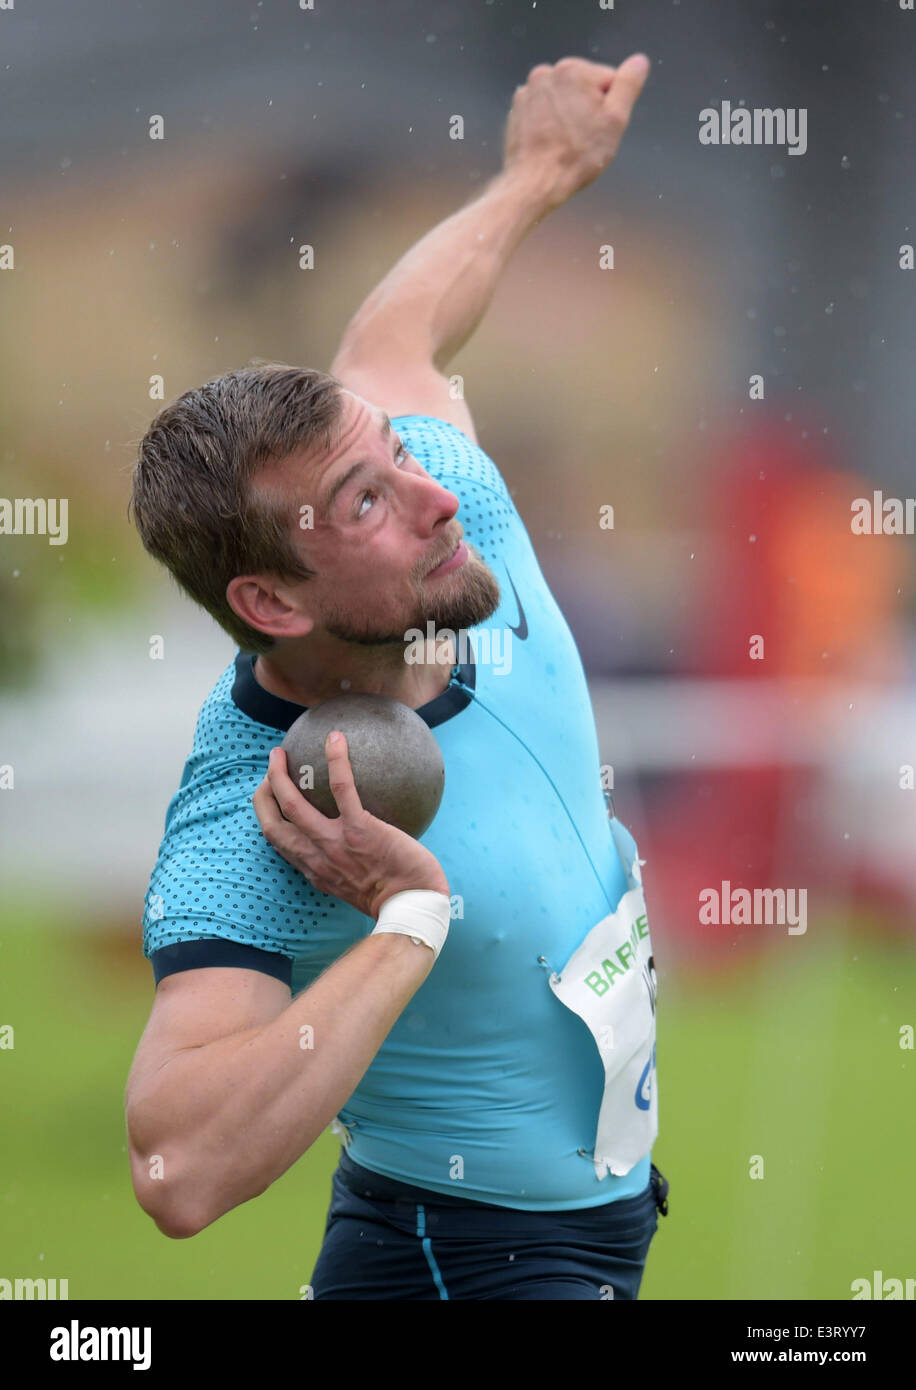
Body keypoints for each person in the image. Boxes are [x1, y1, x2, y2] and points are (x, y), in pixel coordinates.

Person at [125, 53, 667, 1300]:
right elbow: (175, 1170)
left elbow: (395, 333)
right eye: (365, 497)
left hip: (607, 1232)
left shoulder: (448, 501)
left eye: (393, 454)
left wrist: (537, 174)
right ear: (269, 600)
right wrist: (405, 920)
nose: (431, 493)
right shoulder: (265, 805)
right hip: (462, 1266)